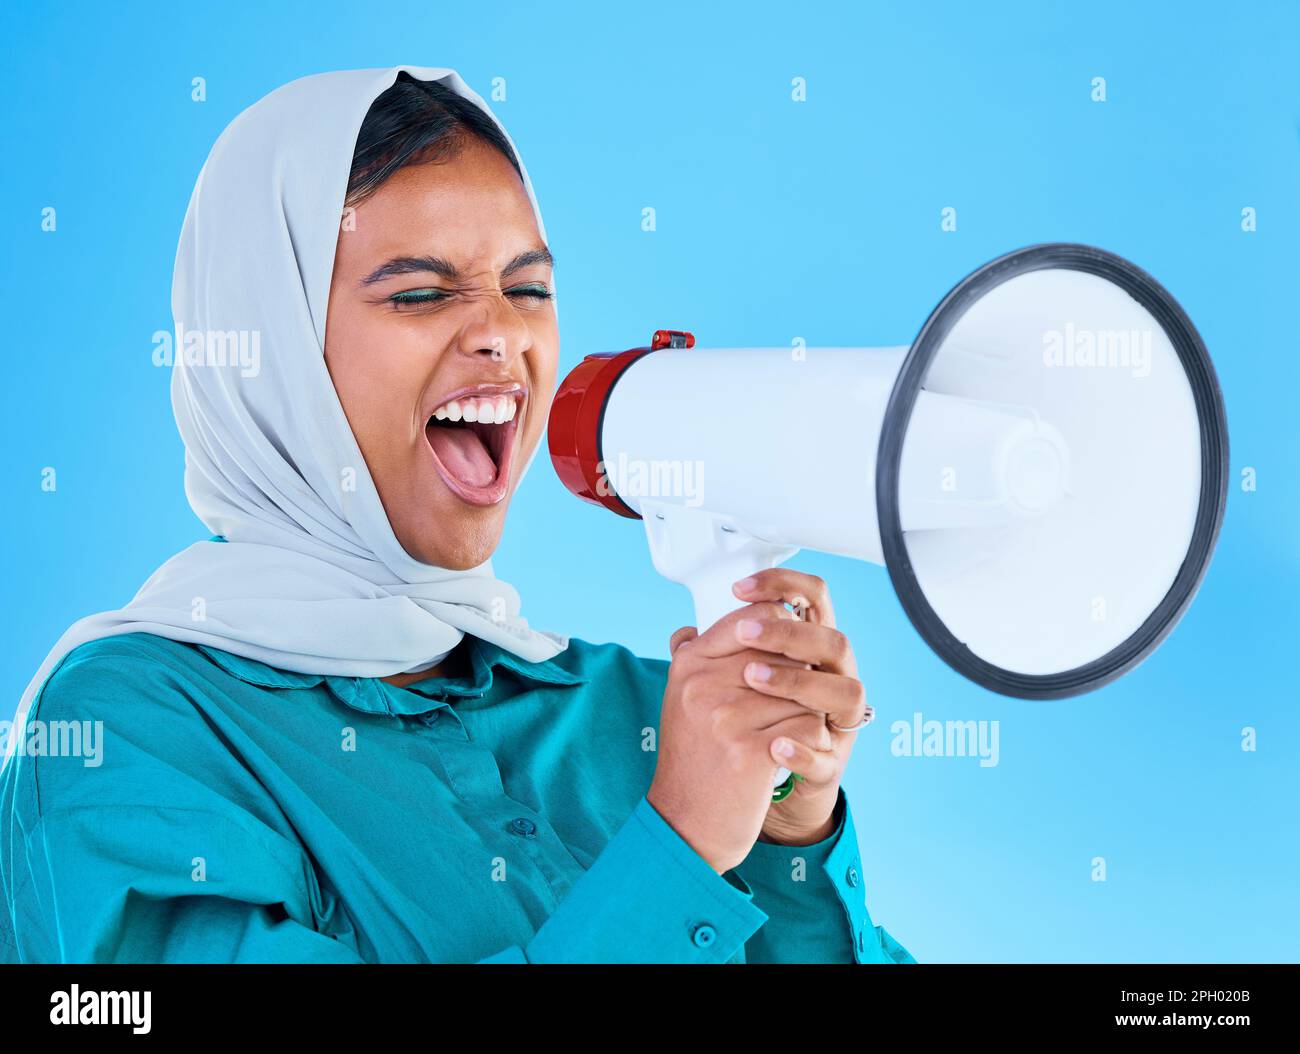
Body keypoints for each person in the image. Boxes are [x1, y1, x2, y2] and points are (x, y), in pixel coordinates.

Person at [0, 65, 914, 965]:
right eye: (420, 293)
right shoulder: (129, 733)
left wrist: (795, 842)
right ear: (269, 353)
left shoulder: (642, 713)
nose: (500, 332)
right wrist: (675, 848)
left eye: (528, 289)